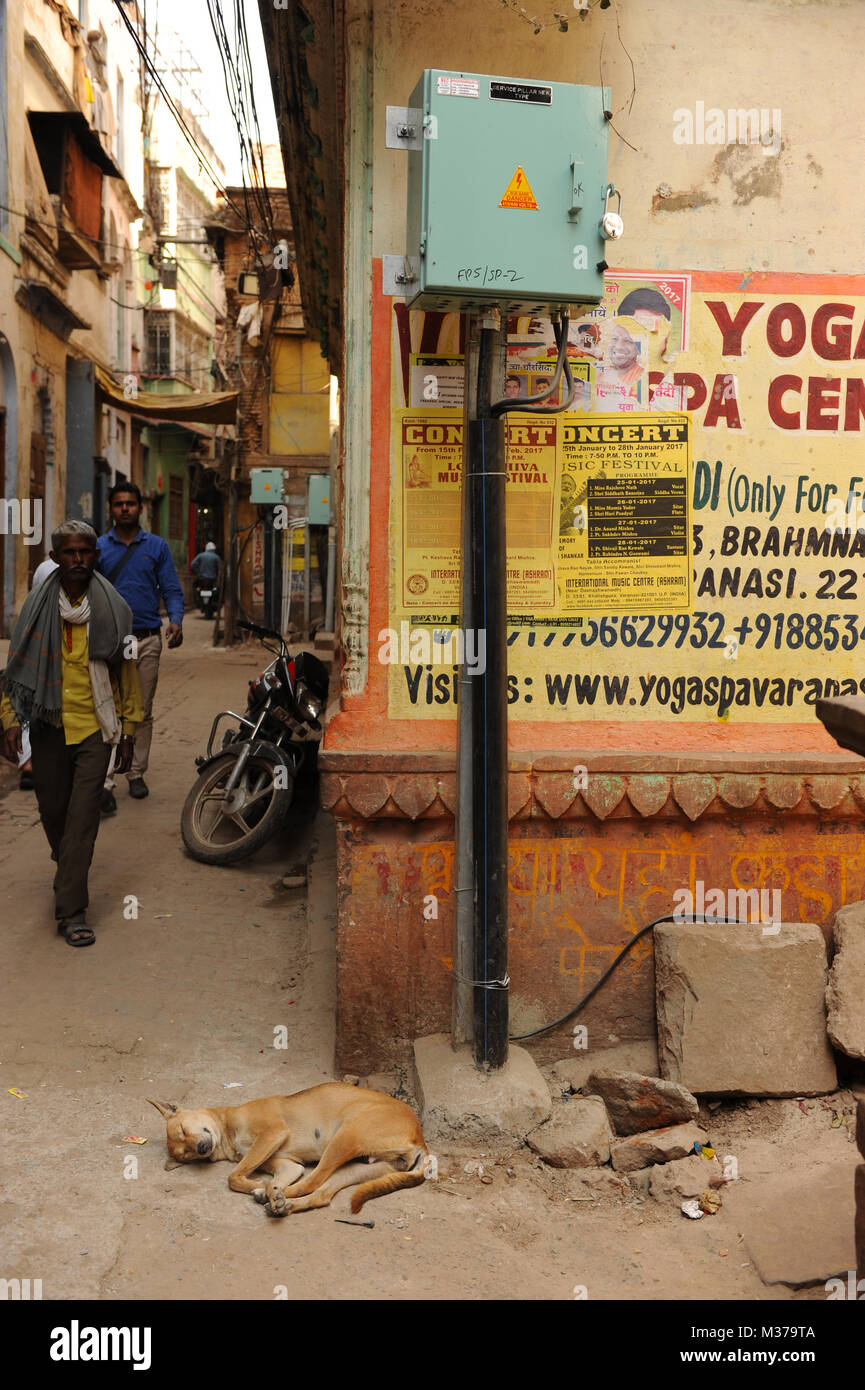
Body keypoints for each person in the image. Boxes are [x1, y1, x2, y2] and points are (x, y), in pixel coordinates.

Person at [0, 521, 143, 946]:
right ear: (55, 557)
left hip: (95, 729)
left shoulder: (116, 609)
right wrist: (10, 719)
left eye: (85, 552)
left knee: (81, 822)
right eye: (69, 552)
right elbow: (13, 671)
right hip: (47, 728)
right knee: (54, 814)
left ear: (95, 556)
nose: (77, 559)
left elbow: (127, 672)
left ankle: (72, 912)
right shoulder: (33, 611)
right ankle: (69, 870)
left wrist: (130, 729)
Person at [96, 481, 184, 807]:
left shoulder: (156, 547)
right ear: (111, 508)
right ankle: (105, 780)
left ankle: (135, 772)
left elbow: (171, 589)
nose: (124, 509)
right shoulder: (99, 548)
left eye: (130, 503)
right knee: (110, 708)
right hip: (111, 640)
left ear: (140, 508)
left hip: (145, 639)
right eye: (118, 504)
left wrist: (175, 620)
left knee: (141, 709)